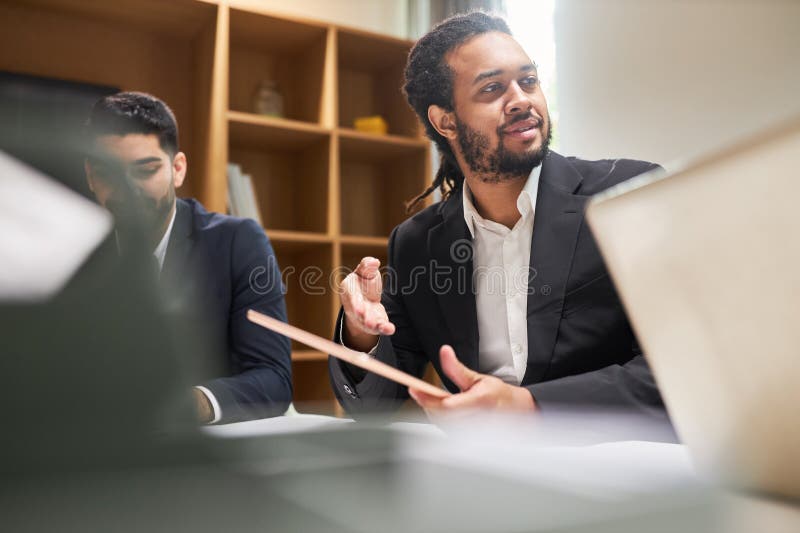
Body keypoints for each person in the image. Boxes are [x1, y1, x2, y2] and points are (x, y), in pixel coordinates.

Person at [330, 12, 666, 418]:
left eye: (528, 81)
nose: (522, 100)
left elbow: (684, 368)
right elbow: (377, 407)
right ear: (445, 120)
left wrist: (529, 406)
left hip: (619, 460)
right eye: (492, 88)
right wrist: (361, 336)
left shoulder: (629, 194)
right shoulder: (417, 243)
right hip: (485, 469)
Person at [84, 92, 292, 424]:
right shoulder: (74, 251)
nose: (128, 193)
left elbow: (274, 380)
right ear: (92, 176)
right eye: (110, 175)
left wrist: (192, 403)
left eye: (145, 171)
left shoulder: (237, 241)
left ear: (177, 169)